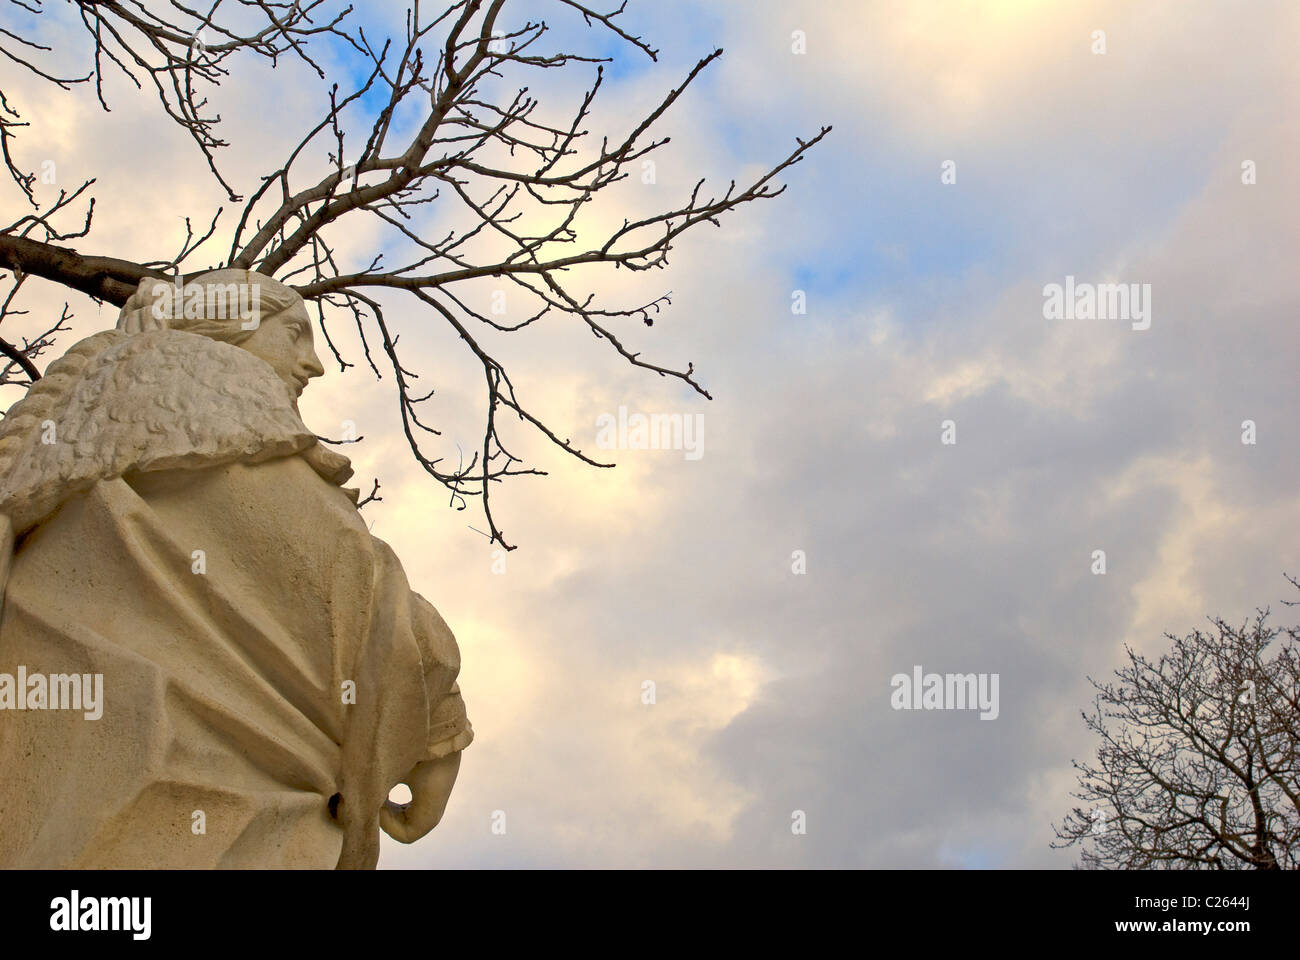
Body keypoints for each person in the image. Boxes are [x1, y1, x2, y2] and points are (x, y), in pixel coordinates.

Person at [0, 269, 471, 868]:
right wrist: (439, 729)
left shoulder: (83, 446)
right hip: (182, 801)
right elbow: (349, 585)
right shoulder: (199, 403)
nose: (314, 364)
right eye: (294, 333)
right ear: (222, 329)